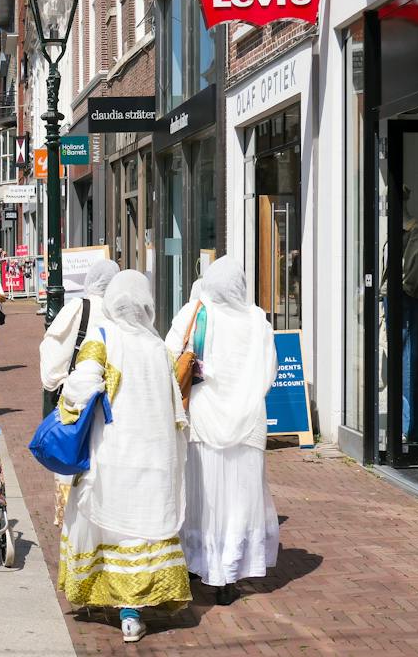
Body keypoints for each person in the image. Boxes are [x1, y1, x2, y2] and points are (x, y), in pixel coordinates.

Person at [57, 269, 190, 643]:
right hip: (155, 455)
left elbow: (81, 387)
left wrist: (68, 408)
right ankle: (136, 609)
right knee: (143, 528)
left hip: (113, 451)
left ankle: (123, 607)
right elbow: (175, 407)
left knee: (113, 527)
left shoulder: (102, 338)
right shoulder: (159, 348)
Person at [165, 256, 279, 605]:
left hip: (204, 418)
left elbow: (169, 356)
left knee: (203, 494)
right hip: (248, 421)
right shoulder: (257, 320)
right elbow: (269, 372)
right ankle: (229, 573)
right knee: (240, 498)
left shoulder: (195, 312)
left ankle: (197, 560)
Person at [41, 260, 120, 415]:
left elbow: (51, 351)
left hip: (75, 402)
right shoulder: (120, 313)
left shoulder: (79, 307)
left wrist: (62, 383)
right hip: (109, 406)